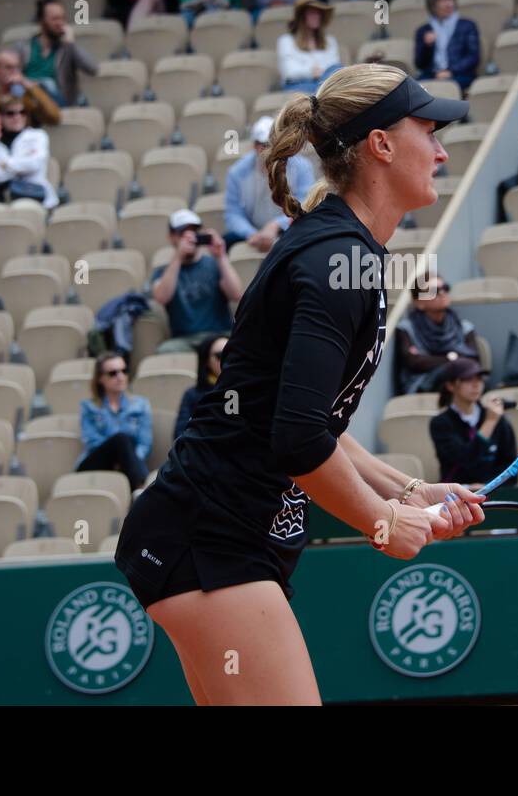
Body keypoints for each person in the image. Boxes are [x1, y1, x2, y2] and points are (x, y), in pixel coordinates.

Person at [115, 63, 484, 705]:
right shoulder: (337, 258)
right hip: (213, 539)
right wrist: (381, 522)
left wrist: (412, 491)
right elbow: (297, 440)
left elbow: (317, 423)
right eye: (429, 128)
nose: (442, 148)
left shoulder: (341, 250)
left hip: (206, 535)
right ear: (382, 144)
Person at [151, 209, 242, 353]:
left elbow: (236, 294)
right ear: (171, 237)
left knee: (225, 348)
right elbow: (162, 297)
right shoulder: (162, 272)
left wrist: (221, 256)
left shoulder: (214, 263)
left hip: (218, 336)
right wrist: (178, 257)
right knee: (164, 351)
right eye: (182, 233)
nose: (190, 237)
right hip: (184, 340)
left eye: (194, 231)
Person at [223, 115, 315, 250]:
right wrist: (252, 233)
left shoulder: (301, 167)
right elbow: (233, 213)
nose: (269, 150)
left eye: (273, 144)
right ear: (255, 146)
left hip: (290, 228)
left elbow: (306, 204)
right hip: (252, 233)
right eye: (263, 145)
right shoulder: (237, 172)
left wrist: (277, 225)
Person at [429, 357, 517, 487]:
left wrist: (487, 486)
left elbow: (511, 468)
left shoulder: (498, 419)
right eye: (468, 379)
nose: (476, 384)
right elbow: (465, 459)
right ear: (450, 385)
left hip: (494, 494)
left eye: (479, 379)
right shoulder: (440, 423)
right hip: (455, 495)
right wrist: (489, 423)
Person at [78, 352, 153, 492]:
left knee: (123, 442)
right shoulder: (89, 406)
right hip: (96, 463)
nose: (120, 377)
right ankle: (141, 490)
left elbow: (145, 445)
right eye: (113, 373)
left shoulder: (141, 405)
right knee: (121, 439)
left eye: (124, 371)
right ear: (101, 378)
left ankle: (139, 492)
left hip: (130, 466)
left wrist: (126, 459)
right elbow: (91, 441)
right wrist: (119, 456)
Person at [395, 272, 479, 394]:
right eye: (433, 291)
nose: (441, 293)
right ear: (419, 302)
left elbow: (473, 359)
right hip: (422, 389)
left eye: (445, 288)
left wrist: (436, 360)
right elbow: (415, 363)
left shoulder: (464, 327)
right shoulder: (406, 329)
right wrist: (452, 358)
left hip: (462, 384)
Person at [0, 95, 58, 209]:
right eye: (10, 113)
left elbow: (34, 164)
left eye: (22, 112)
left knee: (22, 207)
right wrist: (21, 166)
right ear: (1, 116)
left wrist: (4, 164)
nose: (17, 117)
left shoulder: (38, 136)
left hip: (33, 193)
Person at [15, 0, 97, 108]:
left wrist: (71, 44)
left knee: (48, 84)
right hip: (31, 103)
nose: (60, 23)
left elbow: (93, 69)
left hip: (60, 106)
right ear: (41, 21)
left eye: (63, 18)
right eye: (55, 19)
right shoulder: (24, 47)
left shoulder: (67, 48)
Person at [0, 47, 60, 130]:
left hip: (21, 146)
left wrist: (29, 85)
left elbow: (54, 117)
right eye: (9, 67)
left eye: (17, 67)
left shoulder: (24, 94)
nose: (15, 72)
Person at [414, 0, 480, 91]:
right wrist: (427, 46)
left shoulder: (468, 25)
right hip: (432, 74)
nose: (450, 4)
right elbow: (420, 64)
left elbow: (473, 57)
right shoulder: (423, 30)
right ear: (433, 4)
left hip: (459, 74)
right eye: (444, 0)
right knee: (415, 87)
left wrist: (451, 71)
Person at [277, 0, 342, 93]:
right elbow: (289, 73)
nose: (317, 16)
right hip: (298, 87)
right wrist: (312, 73)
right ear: (302, 17)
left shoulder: (330, 41)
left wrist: (317, 73)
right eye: (312, 13)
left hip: (326, 86)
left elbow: (335, 71)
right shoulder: (286, 41)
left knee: (337, 69)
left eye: (319, 13)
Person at [174, 334, 227, 441]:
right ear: (207, 361)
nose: (226, 360)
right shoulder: (192, 395)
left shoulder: (246, 389)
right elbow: (180, 435)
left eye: (231, 354)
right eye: (220, 355)